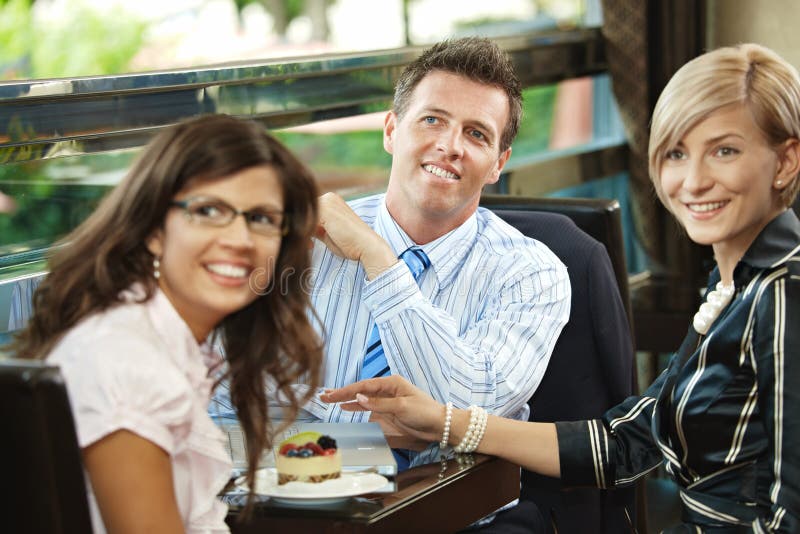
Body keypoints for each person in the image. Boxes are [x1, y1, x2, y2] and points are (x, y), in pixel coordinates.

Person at [322, 43, 800, 532]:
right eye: (677, 153)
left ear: (785, 162)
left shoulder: (785, 295)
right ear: (391, 130)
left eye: (725, 151)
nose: (694, 180)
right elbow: (626, 444)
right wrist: (444, 422)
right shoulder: (735, 289)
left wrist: (379, 261)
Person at [11, 114, 323, 533]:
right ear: (154, 227)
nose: (240, 239)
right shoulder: (128, 365)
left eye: (262, 218)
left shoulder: (163, 341)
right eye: (209, 210)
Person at [277, 36, 570, 427]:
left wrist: (380, 261)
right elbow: (232, 394)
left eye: (476, 134)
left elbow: (469, 412)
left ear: (498, 164)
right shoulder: (303, 238)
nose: (450, 146)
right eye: (433, 120)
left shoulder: (533, 274)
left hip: (447, 488)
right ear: (391, 131)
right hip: (287, 478)